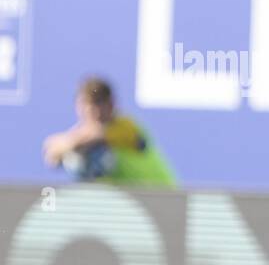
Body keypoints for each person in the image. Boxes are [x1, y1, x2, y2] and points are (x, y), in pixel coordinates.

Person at [42, 78, 178, 188]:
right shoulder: (80, 133)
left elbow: (95, 135)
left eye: (98, 104)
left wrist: (68, 145)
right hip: (130, 203)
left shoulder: (126, 126)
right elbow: (51, 157)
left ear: (111, 104)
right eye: (85, 104)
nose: (91, 110)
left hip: (161, 195)